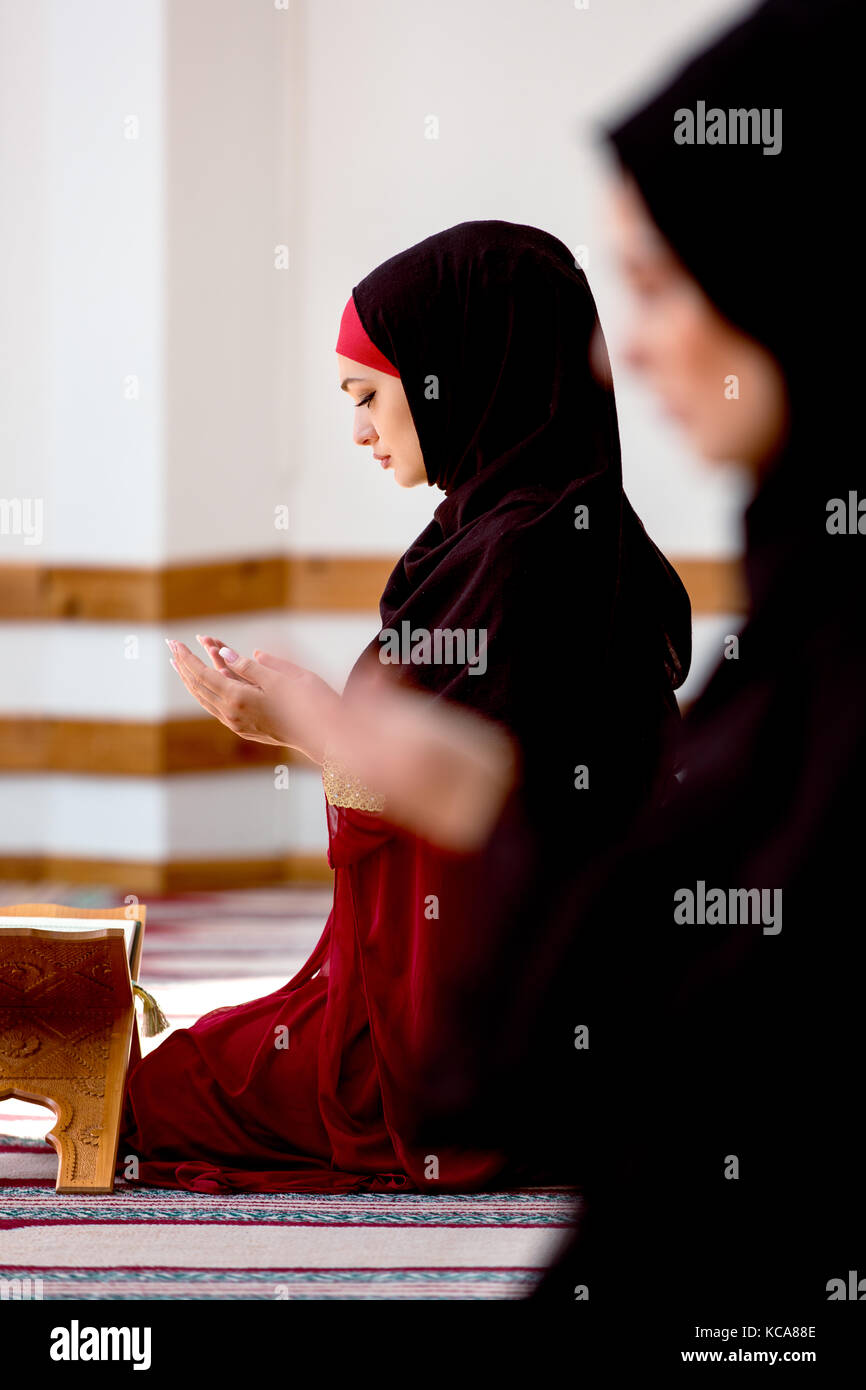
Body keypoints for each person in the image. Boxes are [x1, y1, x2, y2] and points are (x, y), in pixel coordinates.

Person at [399, 0, 863, 1320]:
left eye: (660, 282)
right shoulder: (805, 578)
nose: (622, 350)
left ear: (798, 263)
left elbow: (727, 1034)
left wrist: (489, 808)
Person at [119, 220, 690, 1193]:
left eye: (367, 398)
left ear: (456, 371)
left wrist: (289, 720)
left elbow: (471, 809)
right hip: (577, 1009)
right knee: (203, 1054)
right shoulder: (566, 529)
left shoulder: (512, 555)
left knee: (151, 1088)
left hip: (478, 1026)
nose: (357, 432)